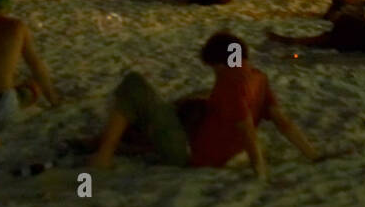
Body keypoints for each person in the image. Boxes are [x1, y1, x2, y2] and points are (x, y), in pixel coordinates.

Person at [92, 32, 318, 177]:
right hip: (223, 151)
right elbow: (283, 121)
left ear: (220, 63)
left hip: (191, 154)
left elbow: (246, 128)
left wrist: (260, 172)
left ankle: (103, 157)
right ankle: (117, 142)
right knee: (173, 105)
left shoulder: (229, 81)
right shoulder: (259, 78)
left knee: (133, 84)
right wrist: (312, 155)